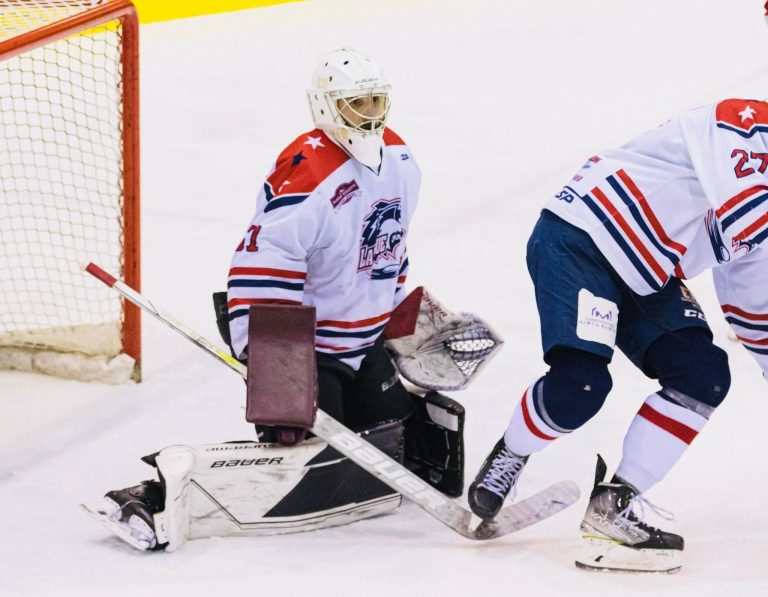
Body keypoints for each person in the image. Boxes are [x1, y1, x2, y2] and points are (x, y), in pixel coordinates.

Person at [91, 48, 468, 551]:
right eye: (356, 103)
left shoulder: (401, 161)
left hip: (362, 339)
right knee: (298, 452)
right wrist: (274, 363)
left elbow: (391, 247)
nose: (371, 113)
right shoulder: (311, 175)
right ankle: (155, 493)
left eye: (376, 100)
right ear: (326, 107)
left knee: (388, 437)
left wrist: (400, 322)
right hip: (302, 341)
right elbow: (259, 269)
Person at [468, 98, 768, 573]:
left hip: (650, 269)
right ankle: (514, 450)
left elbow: (755, 302)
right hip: (582, 236)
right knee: (581, 387)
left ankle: (614, 508)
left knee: (703, 375)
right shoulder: (746, 120)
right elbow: (746, 214)